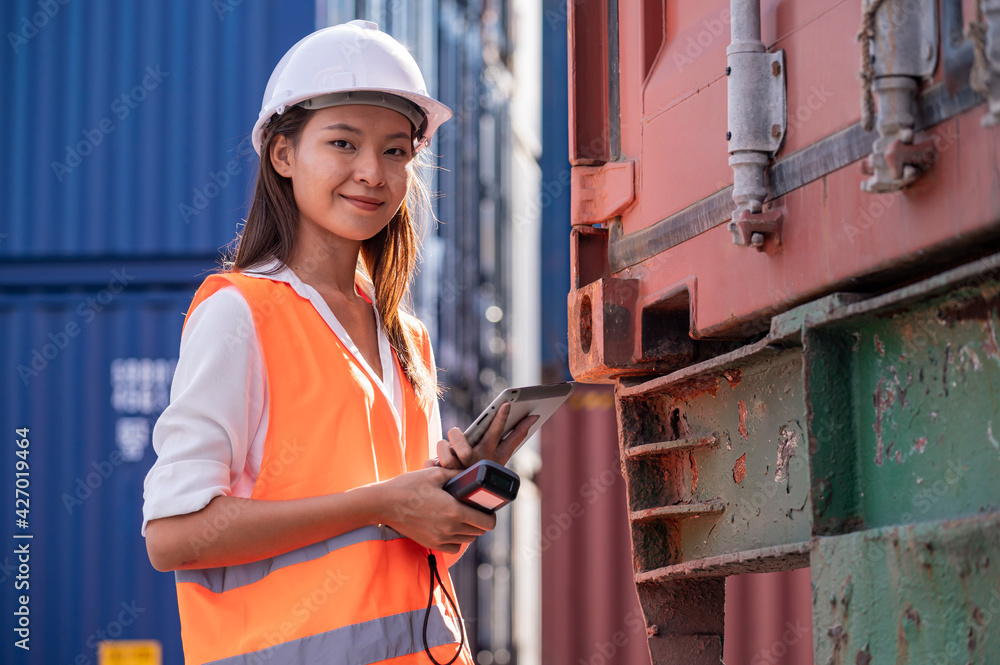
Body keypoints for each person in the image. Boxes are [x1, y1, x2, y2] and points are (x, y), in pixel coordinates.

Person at [142, 20, 534, 665]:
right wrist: (383, 503)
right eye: (343, 143)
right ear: (283, 155)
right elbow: (173, 536)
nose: (372, 172)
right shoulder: (241, 313)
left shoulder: (406, 338)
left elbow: (404, 556)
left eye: (395, 151)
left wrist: (447, 503)